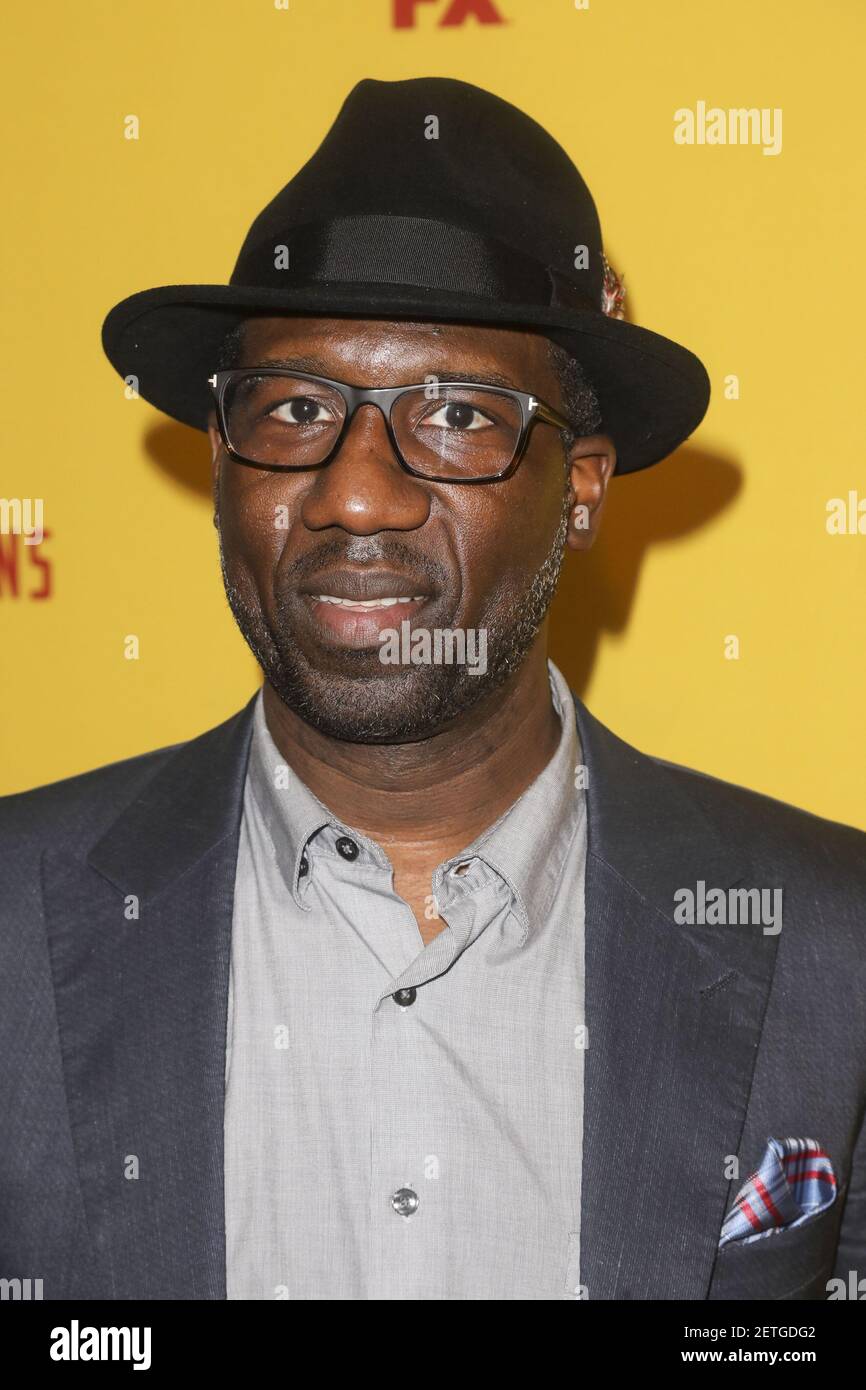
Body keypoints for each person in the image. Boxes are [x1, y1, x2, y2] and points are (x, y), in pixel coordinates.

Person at [1, 77, 864, 1302]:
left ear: (580, 489)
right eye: (297, 407)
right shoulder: (12, 928)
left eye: (456, 413)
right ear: (217, 465)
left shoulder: (833, 948)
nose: (357, 493)